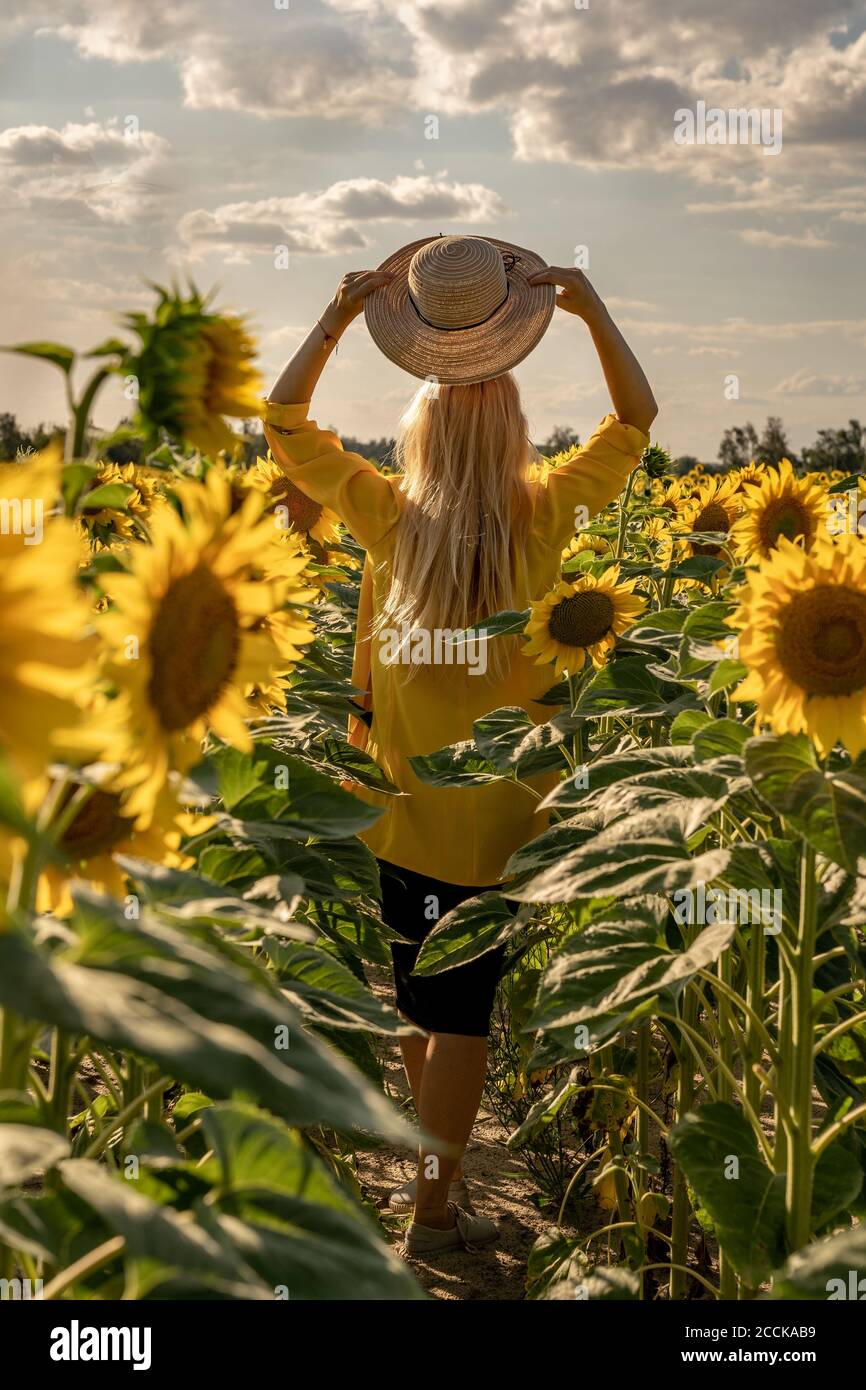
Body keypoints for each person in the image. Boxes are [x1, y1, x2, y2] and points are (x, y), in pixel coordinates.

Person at [263, 234, 657, 1254]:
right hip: (504, 812)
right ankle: (432, 1211)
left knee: (419, 998)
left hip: (401, 799)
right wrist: (590, 308)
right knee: (461, 1014)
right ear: (512, 426)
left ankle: (429, 1181)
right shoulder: (546, 511)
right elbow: (634, 420)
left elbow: (282, 419)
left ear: (421, 432)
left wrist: (338, 316)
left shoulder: (388, 514)